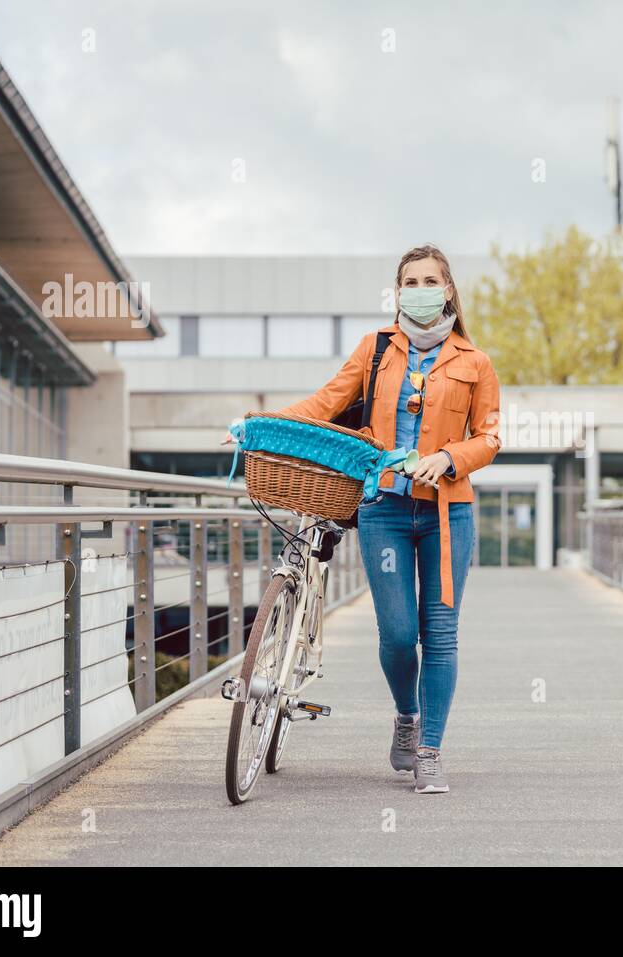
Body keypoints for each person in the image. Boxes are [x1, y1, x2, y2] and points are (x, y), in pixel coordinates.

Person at [272, 245, 500, 793]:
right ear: (398, 291)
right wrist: (260, 426)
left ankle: (430, 750)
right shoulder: (376, 349)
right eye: (409, 281)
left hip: (450, 513)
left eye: (429, 280)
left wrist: (449, 458)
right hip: (385, 510)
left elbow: (489, 436)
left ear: (448, 289)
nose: (418, 290)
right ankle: (406, 714)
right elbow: (325, 403)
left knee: (439, 635)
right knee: (399, 635)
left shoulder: (474, 362)